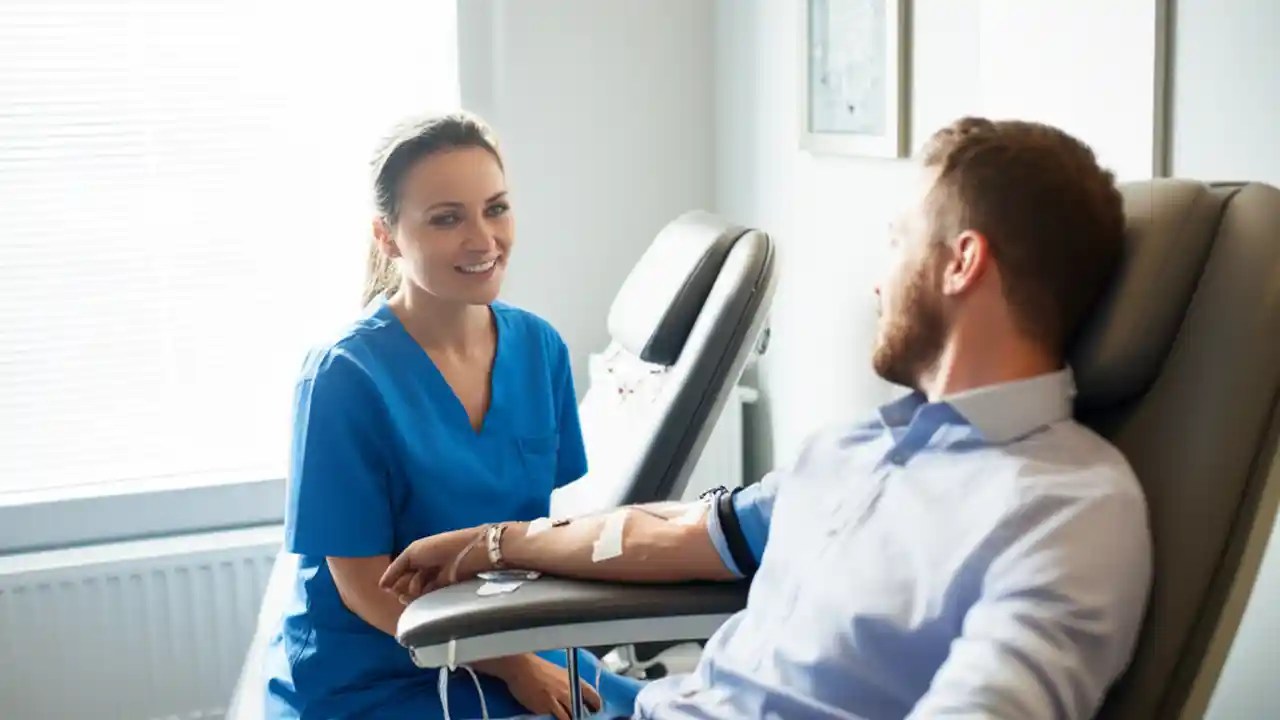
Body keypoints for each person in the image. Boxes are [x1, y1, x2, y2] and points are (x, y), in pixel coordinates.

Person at [381, 117, 1155, 719]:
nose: (878, 282)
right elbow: (680, 534)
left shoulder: (1065, 509)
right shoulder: (859, 448)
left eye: (897, 243)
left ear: (961, 262)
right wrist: (494, 544)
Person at [262, 112, 639, 719]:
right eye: (447, 218)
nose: (484, 240)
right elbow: (362, 590)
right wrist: (513, 667)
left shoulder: (540, 348)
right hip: (377, 666)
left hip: (502, 632)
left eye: (496, 209)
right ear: (386, 236)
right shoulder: (342, 376)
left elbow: (536, 533)